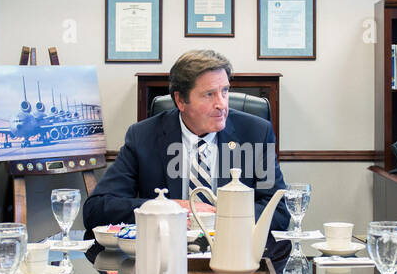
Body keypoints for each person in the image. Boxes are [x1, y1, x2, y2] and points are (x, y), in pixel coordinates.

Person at [83, 50, 291, 245]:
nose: (222, 104)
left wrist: (224, 217)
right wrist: (168, 209)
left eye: (225, 91)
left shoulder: (255, 133)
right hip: (164, 256)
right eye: (209, 94)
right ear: (180, 100)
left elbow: (280, 212)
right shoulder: (143, 136)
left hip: (235, 252)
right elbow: (97, 209)